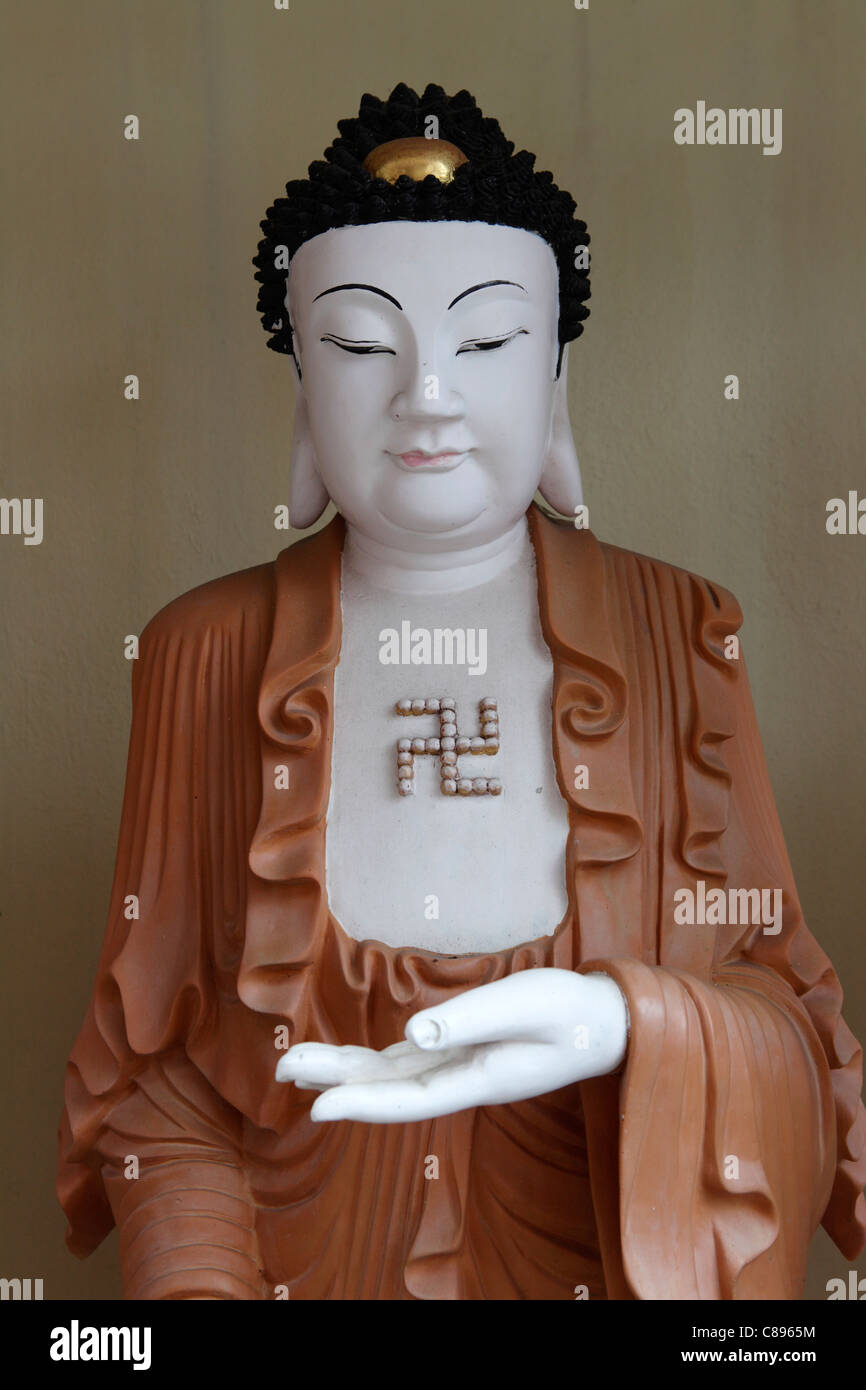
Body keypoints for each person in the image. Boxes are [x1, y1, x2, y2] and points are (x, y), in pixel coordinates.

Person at [58, 82, 866, 1300]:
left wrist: (639, 1030)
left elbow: (792, 1025)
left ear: (552, 387)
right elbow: (155, 1082)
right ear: (301, 393)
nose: (426, 392)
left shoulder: (678, 635)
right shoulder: (202, 653)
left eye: (484, 341)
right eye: (360, 345)